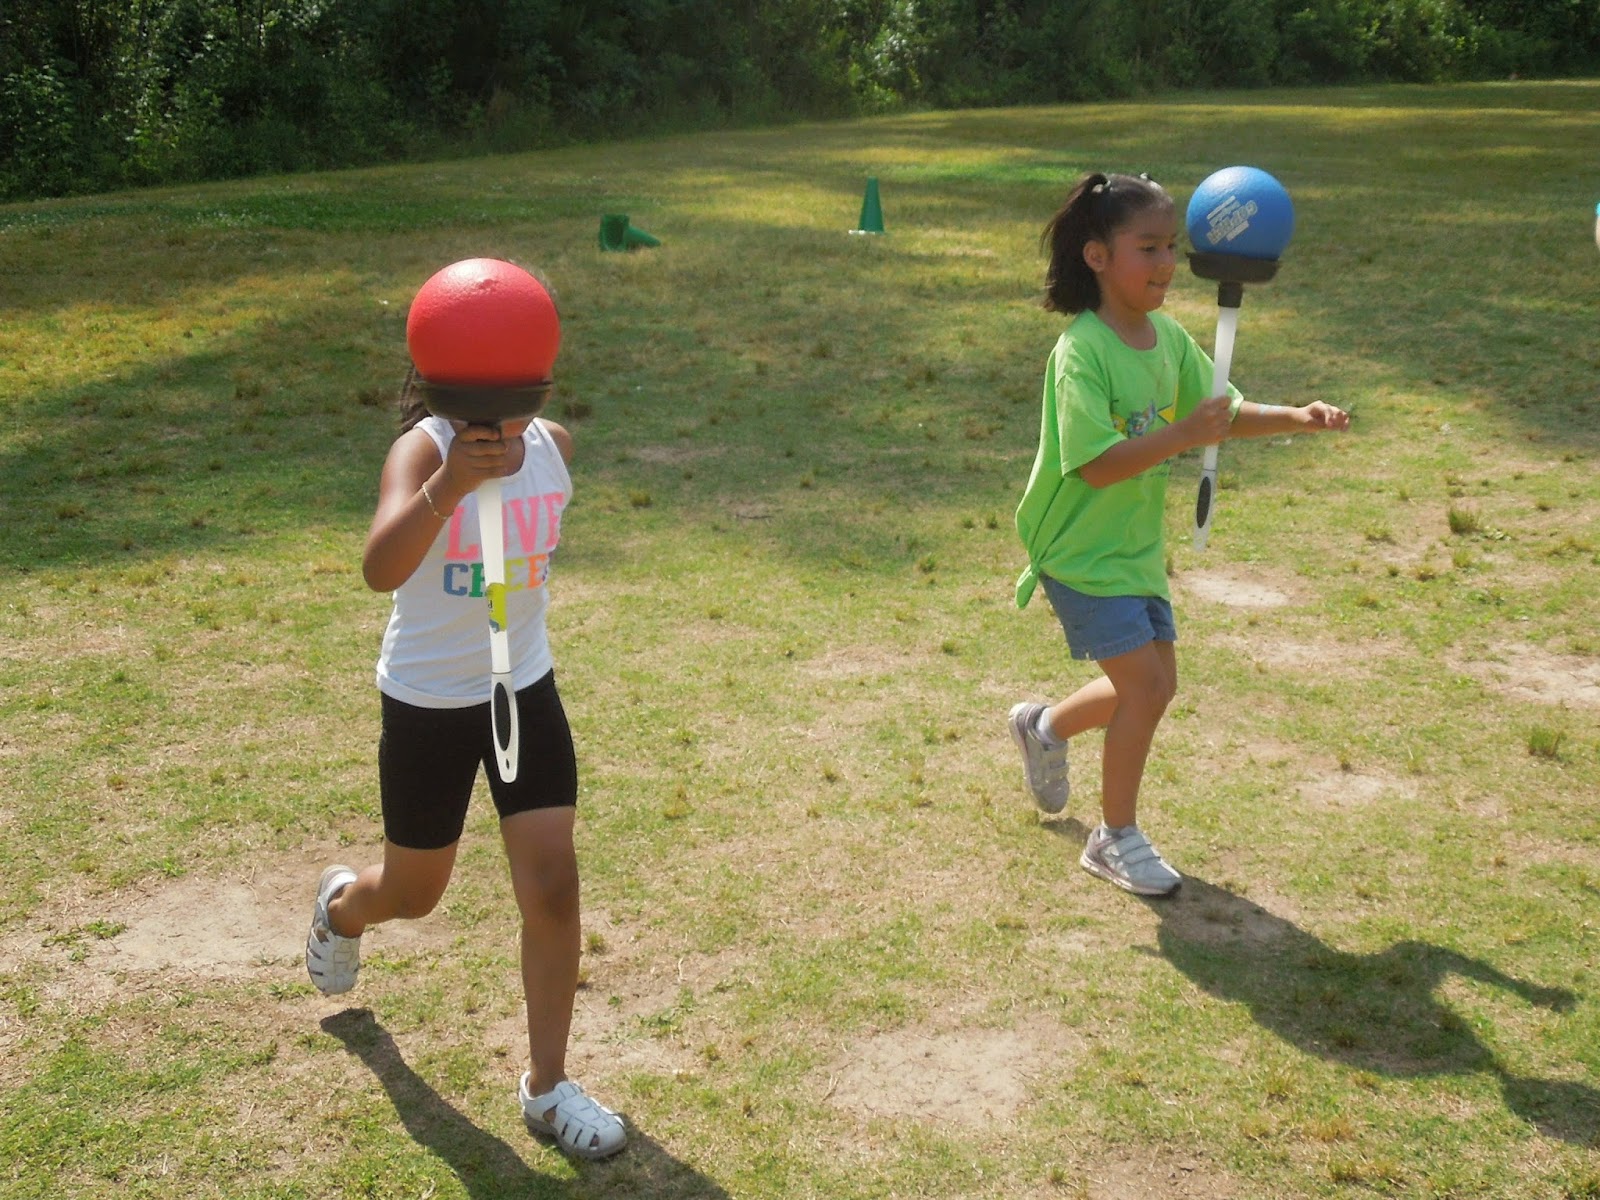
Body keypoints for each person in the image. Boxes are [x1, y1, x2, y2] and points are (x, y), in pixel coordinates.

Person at [305, 365, 626, 1159]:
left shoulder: (554, 446)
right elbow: (380, 569)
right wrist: (449, 483)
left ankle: (548, 1088)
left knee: (553, 885)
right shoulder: (423, 451)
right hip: (428, 703)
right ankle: (342, 908)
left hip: (523, 688)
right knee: (414, 894)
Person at [1008, 171, 1349, 896]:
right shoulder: (1082, 352)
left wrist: (1296, 416)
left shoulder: (1165, 338)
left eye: (1171, 246)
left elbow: (1220, 412)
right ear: (1098, 256)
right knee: (1144, 687)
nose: (1166, 262)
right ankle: (1114, 838)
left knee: (1156, 686)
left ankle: (1045, 727)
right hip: (1078, 550)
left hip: (1131, 548)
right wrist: (1184, 434)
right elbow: (1097, 464)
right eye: (1148, 247)